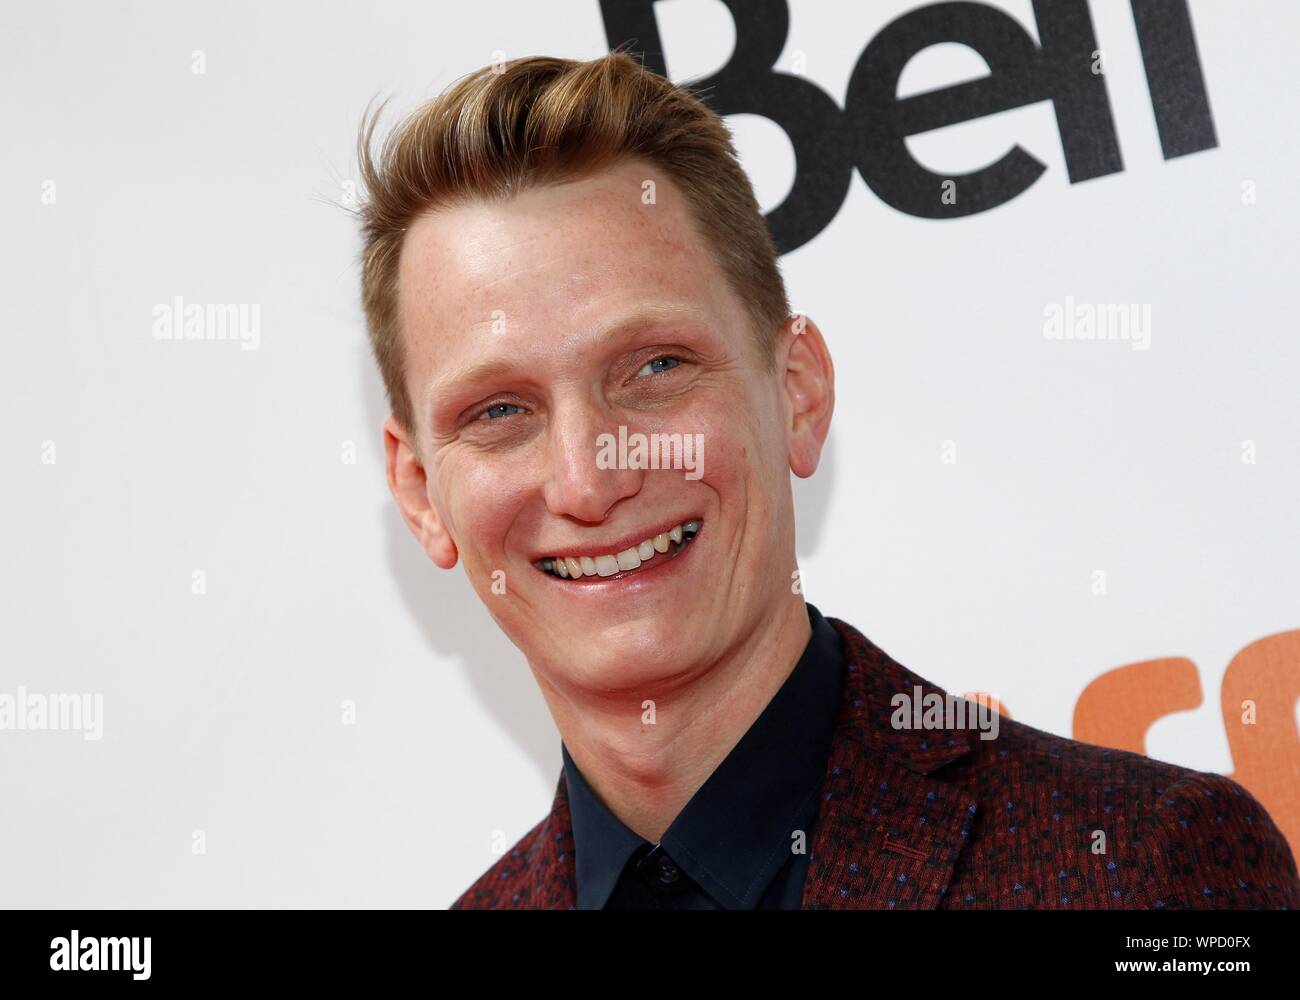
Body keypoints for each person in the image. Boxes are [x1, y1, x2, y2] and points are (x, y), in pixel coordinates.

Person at [353, 51, 1300, 909]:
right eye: (499, 412)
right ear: (421, 492)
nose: (588, 481)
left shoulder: (1145, 872)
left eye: (655, 368)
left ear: (798, 393)